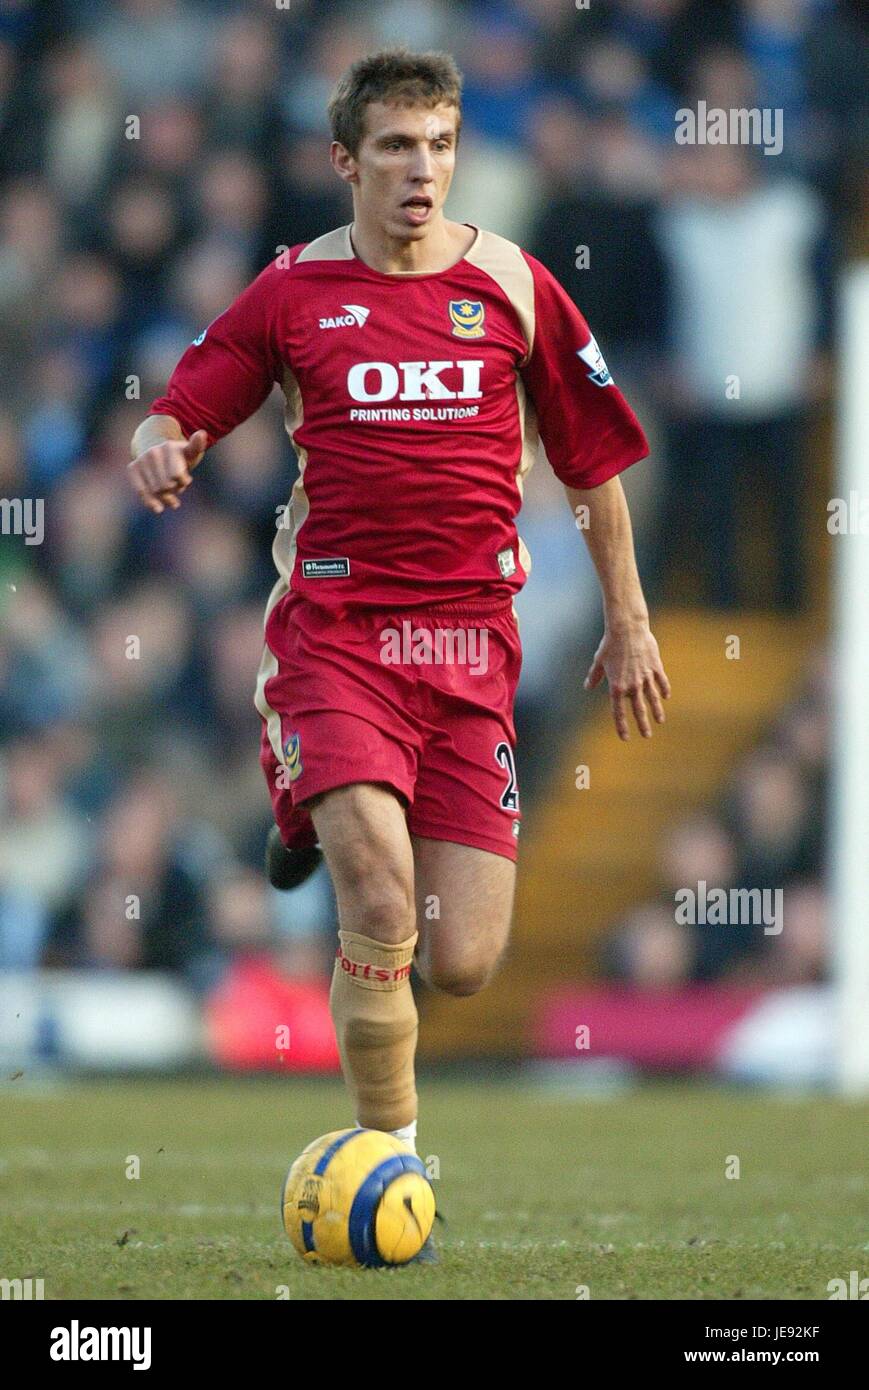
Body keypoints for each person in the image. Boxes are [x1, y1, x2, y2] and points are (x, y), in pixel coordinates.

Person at [127, 48, 669, 1212]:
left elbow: (591, 465)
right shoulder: (292, 292)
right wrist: (158, 446)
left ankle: (305, 801)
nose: (421, 169)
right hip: (337, 635)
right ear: (345, 160)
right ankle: (393, 1167)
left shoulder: (515, 285)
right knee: (378, 903)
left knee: (459, 960)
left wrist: (628, 621)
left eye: (439, 145)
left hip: (471, 651)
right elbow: (181, 406)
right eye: (395, 147)